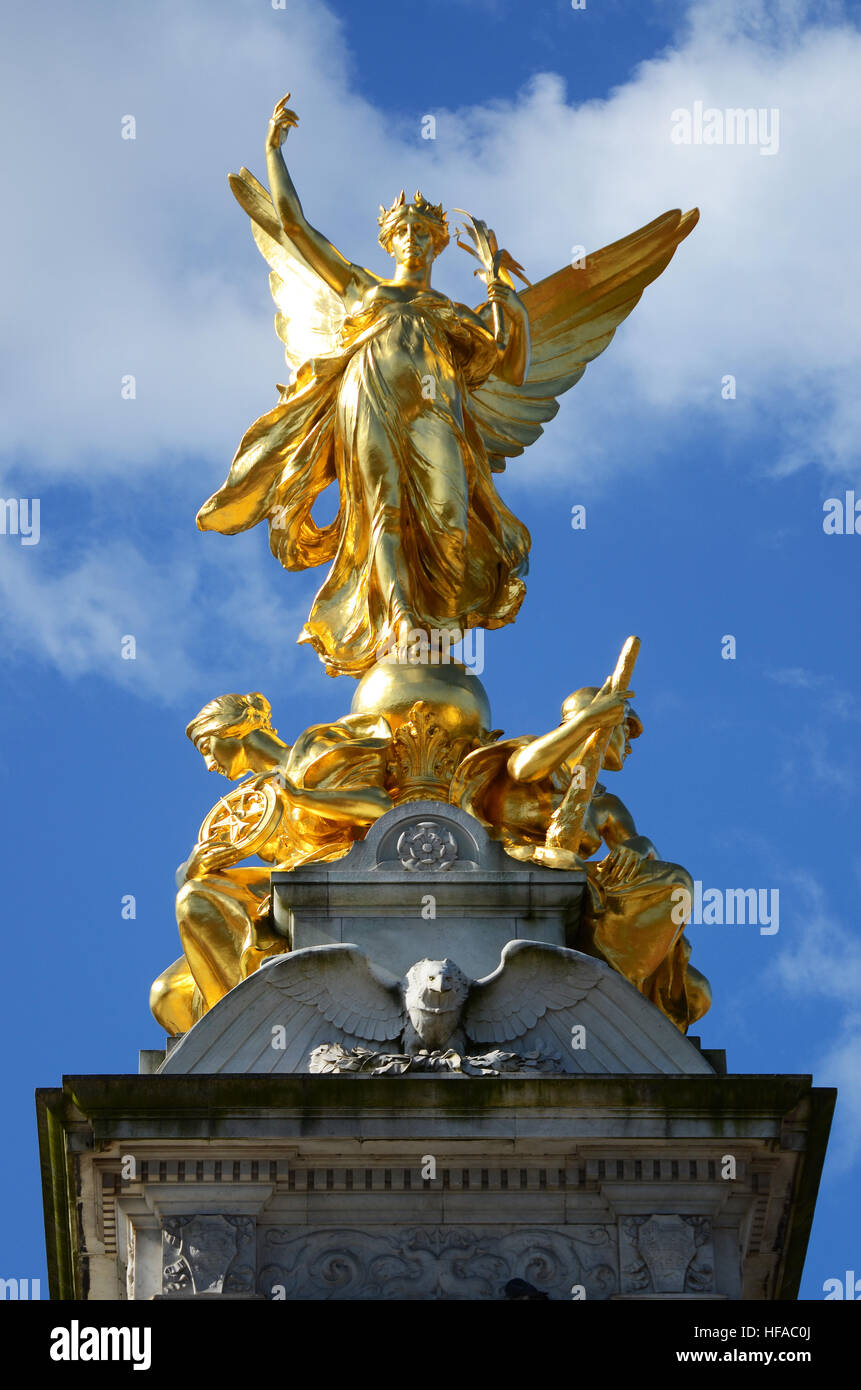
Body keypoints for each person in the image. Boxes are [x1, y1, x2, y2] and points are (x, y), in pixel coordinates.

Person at [197, 95, 532, 677]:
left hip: (434, 413)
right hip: (369, 396)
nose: (413, 240)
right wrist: (274, 152)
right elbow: (294, 227)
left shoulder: (452, 312)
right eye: (402, 231)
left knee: (449, 515)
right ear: (388, 241)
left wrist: (504, 298)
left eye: (424, 232)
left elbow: (510, 367)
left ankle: (440, 621)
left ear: (439, 243)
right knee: (385, 511)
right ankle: (401, 618)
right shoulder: (363, 290)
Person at [451, 687, 711, 1032]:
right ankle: (612, 990)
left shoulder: (606, 804)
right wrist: (590, 719)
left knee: (692, 976)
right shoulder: (537, 757)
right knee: (569, 865)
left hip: (581, 882)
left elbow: (637, 853)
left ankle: (614, 978)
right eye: (625, 728)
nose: (630, 744)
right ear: (601, 722)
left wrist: (640, 846)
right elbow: (523, 770)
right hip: (510, 858)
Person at [150, 692, 393, 1033]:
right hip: (282, 886)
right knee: (169, 995)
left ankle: (250, 1033)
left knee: (195, 898)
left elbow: (380, 808)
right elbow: (188, 877)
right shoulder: (251, 800)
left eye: (207, 748)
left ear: (234, 730)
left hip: (332, 869)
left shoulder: (312, 750)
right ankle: (241, 1035)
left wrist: (302, 797)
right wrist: (194, 865)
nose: (209, 764)